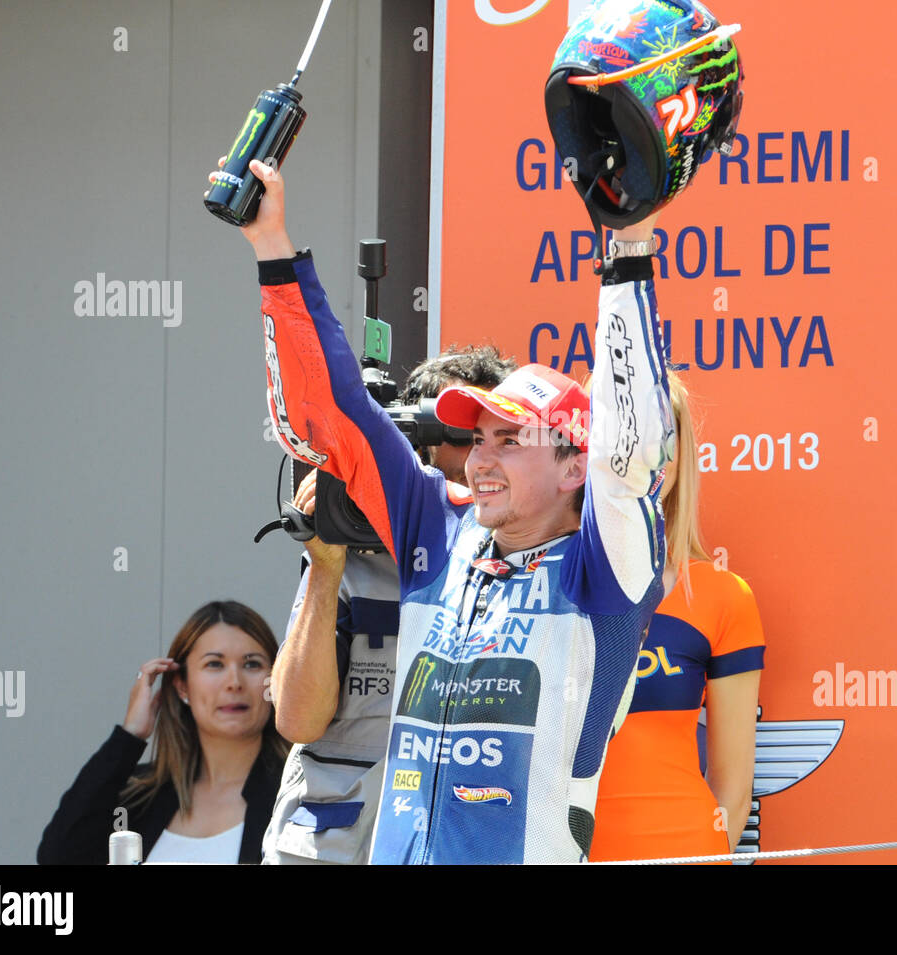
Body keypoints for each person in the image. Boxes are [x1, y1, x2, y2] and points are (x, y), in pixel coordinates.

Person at [226, 151, 670, 863]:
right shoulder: (441, 529)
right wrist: (272, 246)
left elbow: (631, 448)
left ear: (572, 464)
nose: (483, 459)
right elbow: (339, 408)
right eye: (478, 438)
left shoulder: (602, 575)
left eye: (510, 440)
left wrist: (628, 252)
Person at [262, 347, 515, 865]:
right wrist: (326, 568)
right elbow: (298, 722)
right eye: (461, 437)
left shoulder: (532, 568)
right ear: (410, 448)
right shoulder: (351, 560)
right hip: (337, 842)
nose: (478, 460)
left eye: (499, 439)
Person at [590, 371, 765, 863]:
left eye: (662, 438)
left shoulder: (722, 596)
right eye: (628, 436)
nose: (645, 457)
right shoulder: (542, 582)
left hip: (682, 848)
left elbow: (732, 790)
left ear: (682, 454)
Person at [37, 601, 287, 864]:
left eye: (252, 664)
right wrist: (130, 736)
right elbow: (58, 857)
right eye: (214, 664)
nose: (234, 682)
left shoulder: (297, 796)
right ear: (182, 686)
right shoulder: (141, 795)